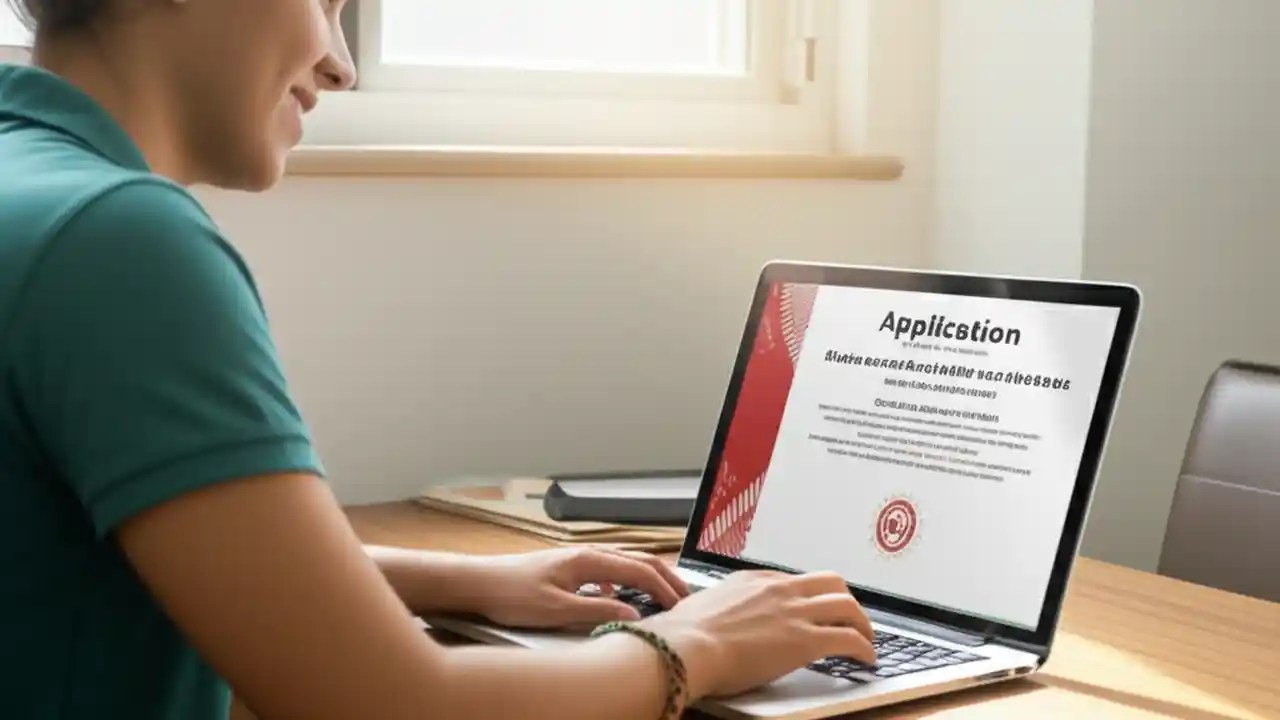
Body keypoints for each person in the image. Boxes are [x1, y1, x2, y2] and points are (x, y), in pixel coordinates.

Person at [0, 1, 877, 718]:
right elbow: (387, 701)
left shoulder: (27, 188)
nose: (340, 63)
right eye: (325, 3)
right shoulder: (119, 241)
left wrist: (467, 579)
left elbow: (135, 553)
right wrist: (699, 644)